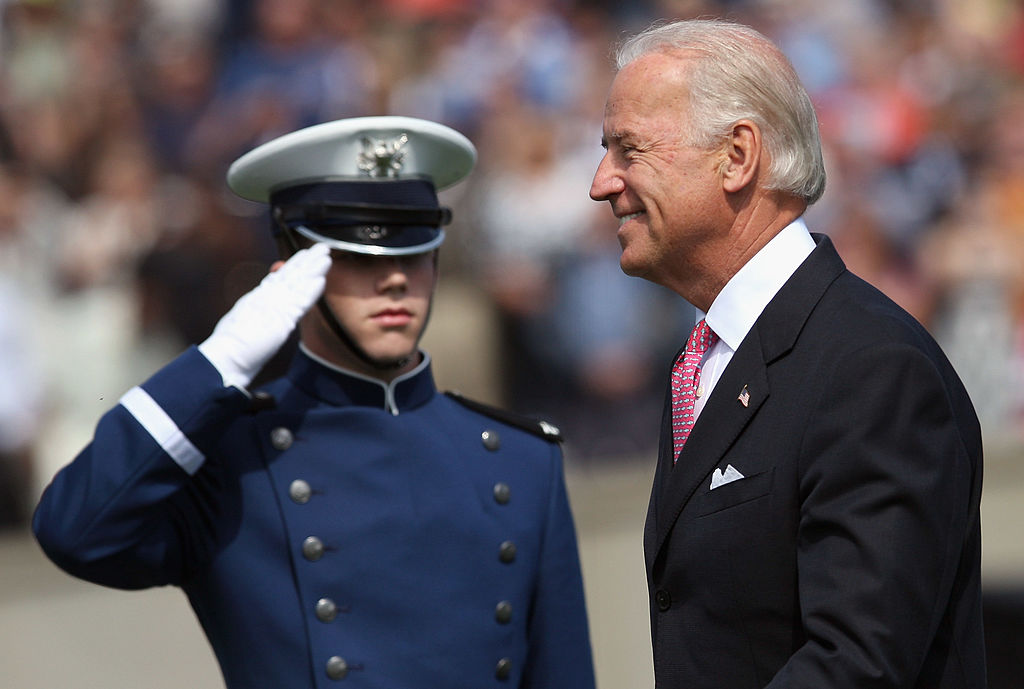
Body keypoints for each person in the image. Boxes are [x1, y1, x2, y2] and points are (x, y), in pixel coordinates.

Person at [33, 116, 596, 689]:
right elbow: (74, 529)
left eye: (416, 249)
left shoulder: (522, 461)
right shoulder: (234, 460)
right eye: (358, 256)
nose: (396, 279)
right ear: (291, 270)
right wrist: (218, 363)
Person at [588, 19, 985, 689]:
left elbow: (859, 662)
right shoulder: (706, 360)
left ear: (737, 157)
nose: (602, 182)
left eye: (628, 150)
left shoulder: (873, 368)